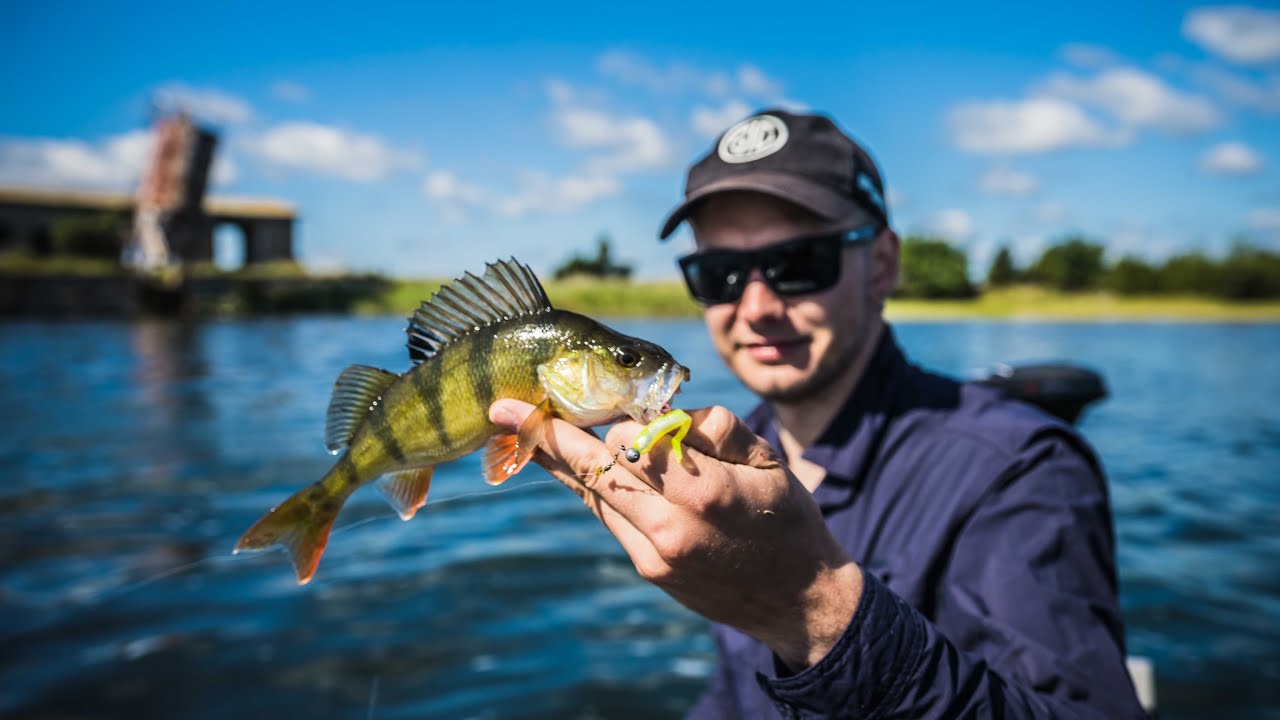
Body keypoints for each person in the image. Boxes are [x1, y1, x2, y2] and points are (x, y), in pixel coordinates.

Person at [489, 109, 1144, 718]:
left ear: (882, 265)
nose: (756, 306)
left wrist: (815, 608)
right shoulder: (728, 458)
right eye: (719, 272)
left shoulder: (1022, 470)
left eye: (798, 263)